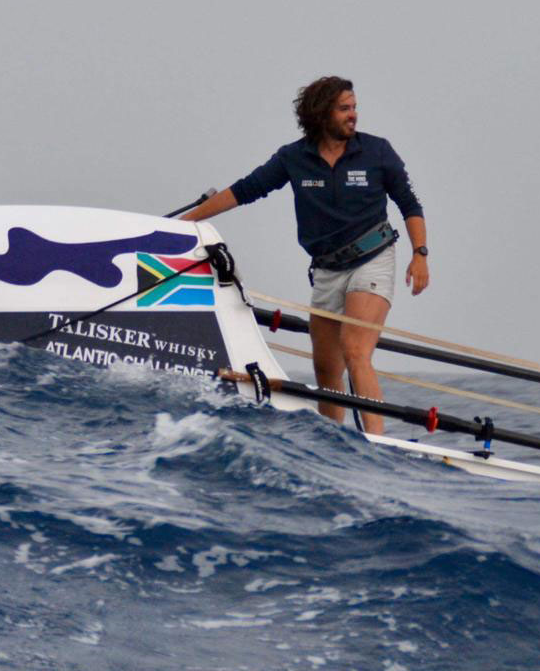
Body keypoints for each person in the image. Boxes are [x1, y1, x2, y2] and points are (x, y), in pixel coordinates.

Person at [179, 76, 427, 434]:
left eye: (354, 107)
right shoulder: (294, 157)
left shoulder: (377, 152)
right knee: (326, 368)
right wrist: (186, 222)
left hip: (373, 259)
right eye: (345, 109)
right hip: (326, 270)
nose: (353, 115)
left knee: (355, 350)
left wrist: (420, 254)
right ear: (321, 113)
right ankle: (334, 443)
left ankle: (377, 441)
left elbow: (410, 203)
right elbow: (244, 190)